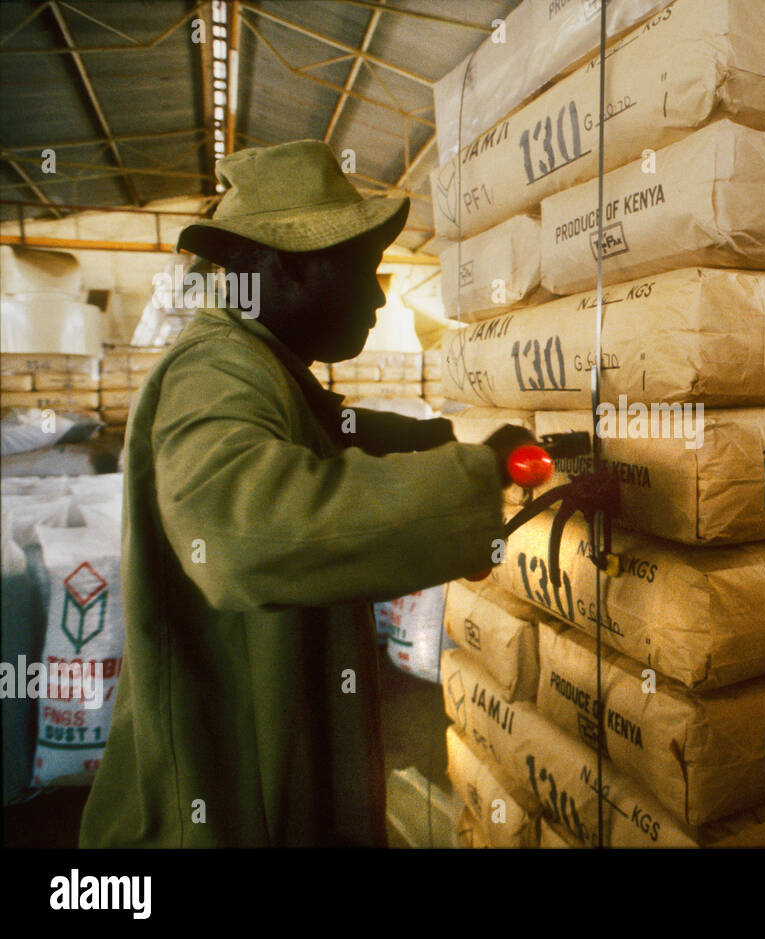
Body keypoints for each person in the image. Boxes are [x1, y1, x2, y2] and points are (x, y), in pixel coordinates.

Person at [79, 140, 533, 847]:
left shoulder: (269, 369)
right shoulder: (213, 370)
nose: (380, 293)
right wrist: (478, 474)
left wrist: (449, 440)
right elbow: (242, 531)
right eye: (361, 269)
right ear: (275, 267)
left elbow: (338, 432)